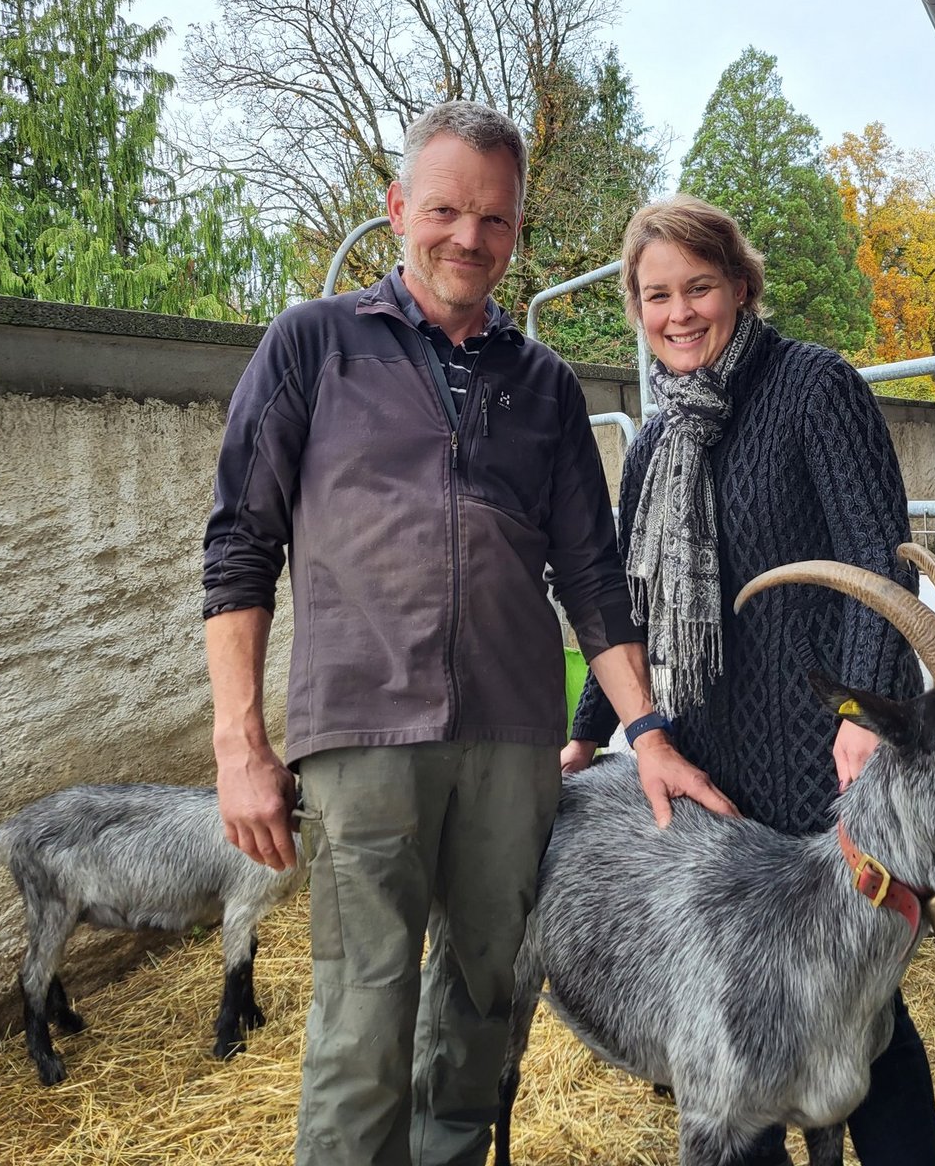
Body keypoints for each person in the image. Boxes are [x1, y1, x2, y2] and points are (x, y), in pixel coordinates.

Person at [200, 103, 732, 1166]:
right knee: (364, 1011)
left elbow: (591, 578)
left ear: (515, 233)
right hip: (361, 731)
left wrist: (650, 733)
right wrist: (237, 739)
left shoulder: (542, 386)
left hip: (511, 736)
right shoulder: (313, 345)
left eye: (493, 219)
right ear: (399, 209)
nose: (467, 238)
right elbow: (238, 545)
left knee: (485, 993)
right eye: (443, 209)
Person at [564, 194, 935, 1165]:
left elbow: (878, 556)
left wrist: (861, 715)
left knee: (860, 1011)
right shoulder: (655, 441)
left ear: (739, 284)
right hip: (710, 785)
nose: (679, 312)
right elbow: (629, 603)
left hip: (827, 766)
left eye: (699, 286)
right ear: (635, 305)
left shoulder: (815, 386)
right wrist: (586, 731)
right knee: (744, 1023)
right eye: (657, 294)